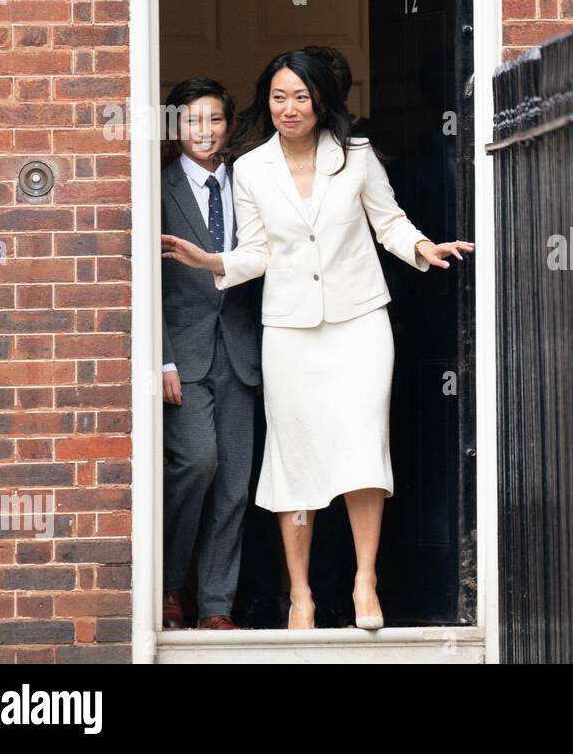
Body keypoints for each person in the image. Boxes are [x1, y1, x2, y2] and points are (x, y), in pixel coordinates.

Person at [161, 50, 474, 630]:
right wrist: (212, 260)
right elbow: (256, 252)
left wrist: (422, 249)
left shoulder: (354, 156)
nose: (289, 108)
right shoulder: (252, 168)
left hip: (359, 324)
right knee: (294, 462)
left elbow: (389, 221)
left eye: (300, 97)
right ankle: (300, 595)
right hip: (288, 333)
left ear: (320, 101)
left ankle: (365, 582)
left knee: (362, 452)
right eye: (278, 97)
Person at [159, 77, 262, 630]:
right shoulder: (158, 188)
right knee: (197, 464)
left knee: (234, 484)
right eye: (193, 120)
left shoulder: (251, 184)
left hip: (242, 356)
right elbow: (146, 284)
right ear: (176, 128)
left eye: (215, 120)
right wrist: (163, 359)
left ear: (229, 126)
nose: (205, 131)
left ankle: (217, 606)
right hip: (185, 356)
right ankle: (172, 588)